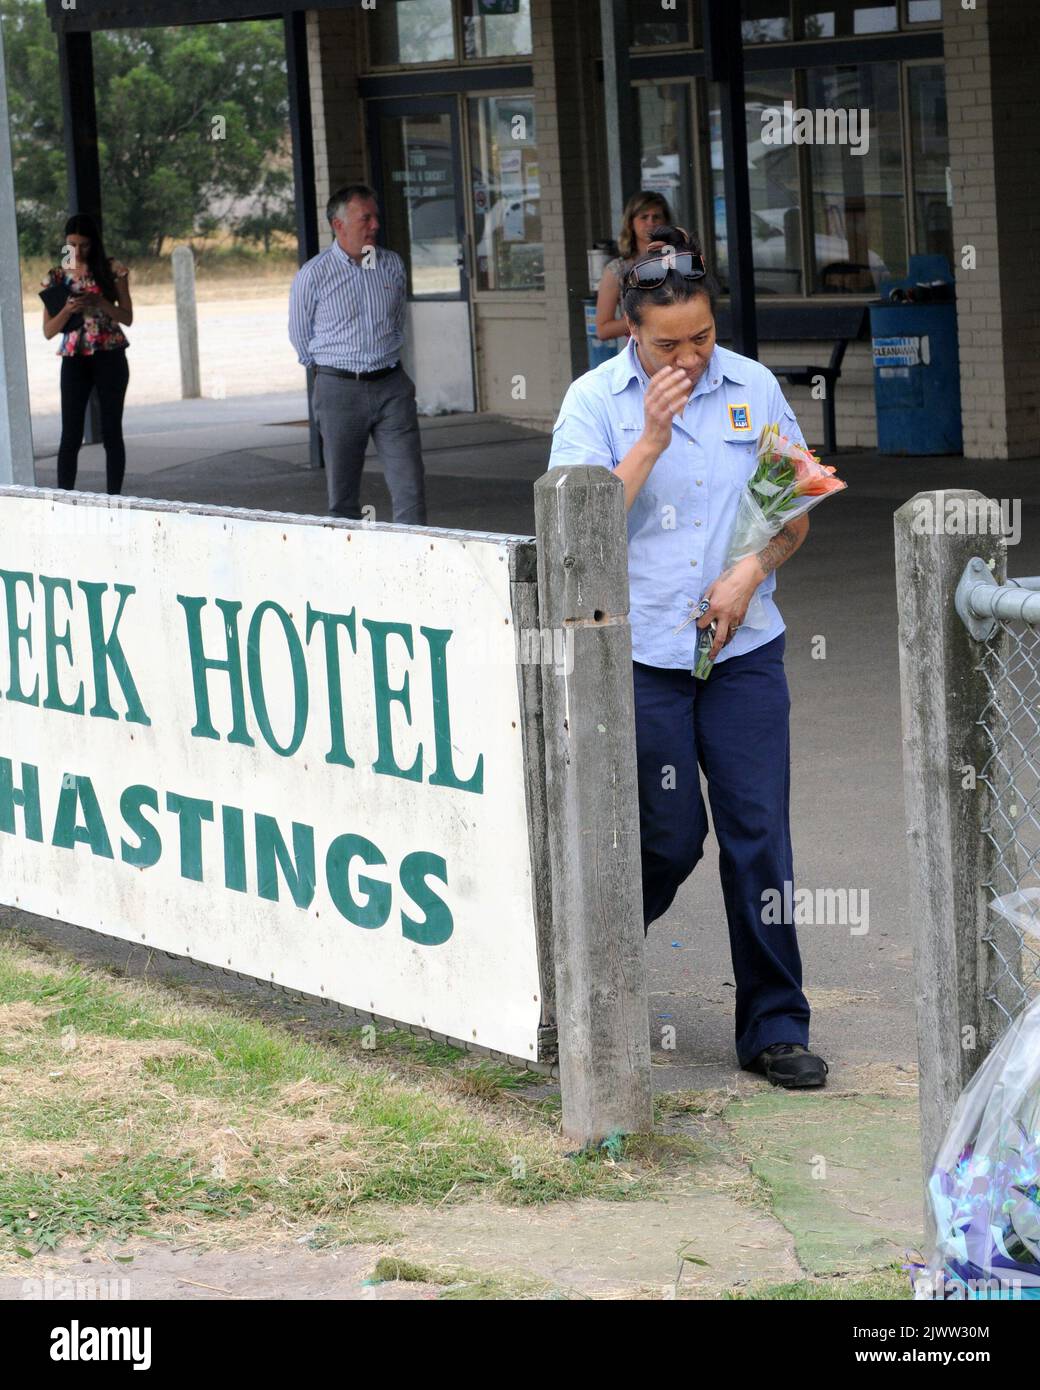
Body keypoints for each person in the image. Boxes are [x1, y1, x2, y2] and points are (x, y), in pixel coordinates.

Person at [548, 226, 828, 1090]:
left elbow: (795, 511)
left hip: (742, 650)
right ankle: (578, 979)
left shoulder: (754, 387)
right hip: (640, 658)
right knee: (666, 840)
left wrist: (750, 571)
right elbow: (571, 533)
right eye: (670, 343)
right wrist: (650, 441)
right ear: (631, 329)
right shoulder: (593, 403)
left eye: (703, 336)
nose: (693, 357)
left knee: (761, 839)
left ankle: (775, 1026)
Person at [288, 184, 427, 525]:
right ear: (339, 225)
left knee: (410, 484)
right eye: (365, 218)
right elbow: (300, 336)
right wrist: (332, 373)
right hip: (339, 390)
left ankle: (415, 560)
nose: (375, 225)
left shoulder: (391, 266)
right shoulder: (314, 275)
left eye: (375, 216)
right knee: (344, 494)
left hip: (391, 385)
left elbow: (397, 323)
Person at [41, 213, 133, 494]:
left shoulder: (111, 270)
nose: (78, 251)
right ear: (65, 243)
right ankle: (64, 498)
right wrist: (67, 310)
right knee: (70, 434)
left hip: (110, 353)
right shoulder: (57, 275)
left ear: (95, 244)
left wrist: (100, 301)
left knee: (111, 432)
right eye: (72, 244)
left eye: (84, 245)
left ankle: (114, 499)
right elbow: (48, 331)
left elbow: (127, 317)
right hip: (74, 358)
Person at [593, 190, 672, 347]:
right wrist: (647, 317)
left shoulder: (678, 261)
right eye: (644, 217)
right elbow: (602, 330)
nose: (651, 222)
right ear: (631, 223)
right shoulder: (617, 269)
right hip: (641, 354)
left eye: (656, 217)